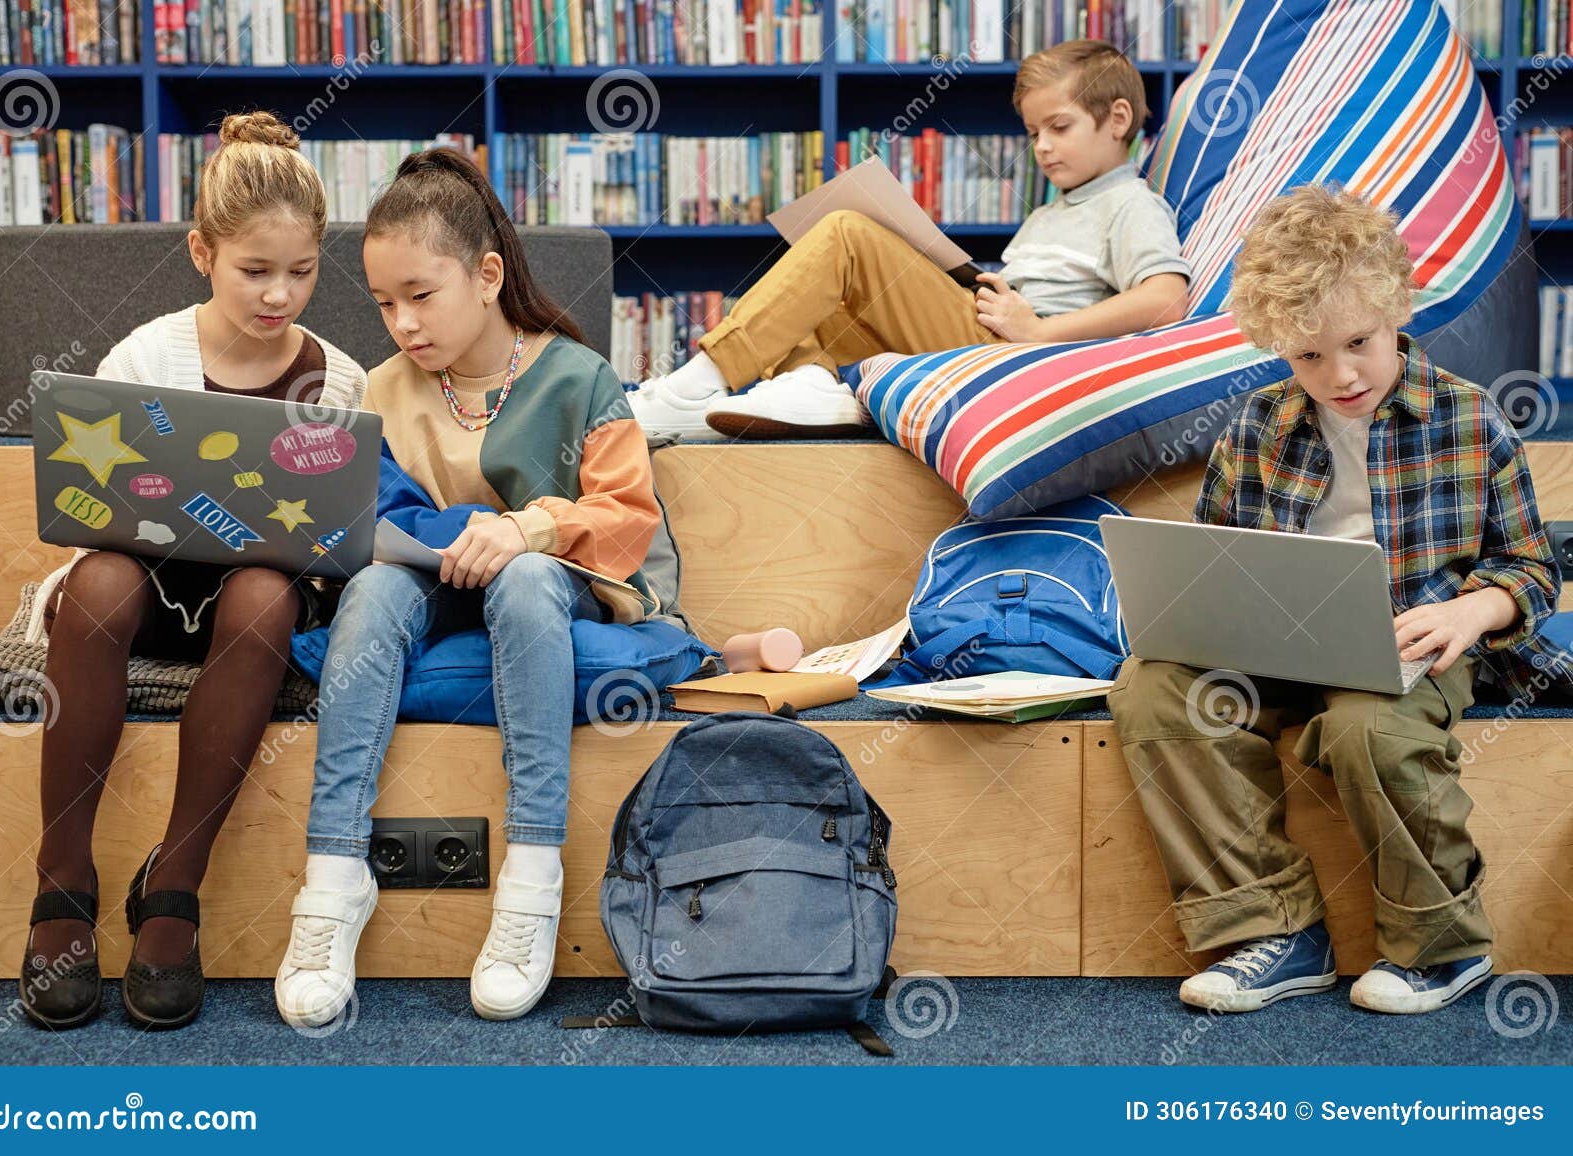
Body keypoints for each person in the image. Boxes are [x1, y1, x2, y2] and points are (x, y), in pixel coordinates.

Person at [1106, 184, 1560, 1015]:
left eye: (1358, 343)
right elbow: (1215, 555)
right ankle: (1275, 930)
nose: (1339, 375)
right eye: (1308, 356)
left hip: (1417, 650)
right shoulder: (1257, 425)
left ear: (1396, 310)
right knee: (1151, 687)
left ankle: (1439, 943)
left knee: (1365, 726)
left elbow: (1531, 568)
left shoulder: (1469, 418)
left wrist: (1469, 612)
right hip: (1280, 648)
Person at [273, 147, 661, 1029]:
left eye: (421, 295)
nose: (402, 322)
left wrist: (525, 528)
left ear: (487, 275)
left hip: (549, 581)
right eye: (382, 303)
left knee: (522, 582)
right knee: (372, 590)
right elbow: (368, 524)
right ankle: (331, 885)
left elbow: (628, 514)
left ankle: (532, 876)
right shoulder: (381, 390)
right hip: (427, 583)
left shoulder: (576, 375)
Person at [19, 111, 367, 1031]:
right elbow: (83, 513)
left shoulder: (342, 383)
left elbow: (338, 536)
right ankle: (64, 875)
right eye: (255, 271)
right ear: (201, 252)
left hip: (251, 602)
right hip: (138, 589)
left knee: (262, 598)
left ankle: (173, 881)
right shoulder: (144, 355)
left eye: (301, 272)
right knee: (100, 583)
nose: (279, 296)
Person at [628, 39, 1190, 444]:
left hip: (1010, 357)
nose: (1042, 147)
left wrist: (1039, 329)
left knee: (847, 234)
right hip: (984, 336)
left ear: (1117, 119)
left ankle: (695, 385)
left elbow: (1166, 299)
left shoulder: (1130, 204)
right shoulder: (1051, 212)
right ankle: (818, 390)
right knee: (826, 299)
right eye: (1032, 132)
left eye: (1059, 127)